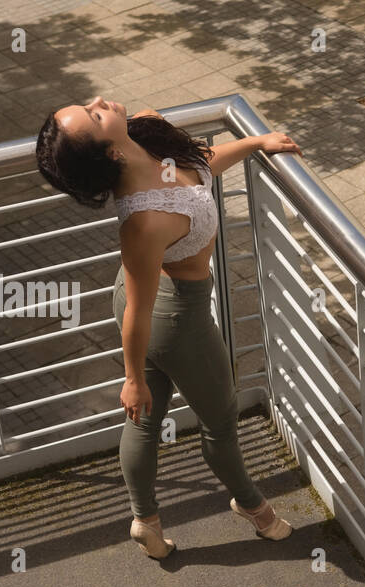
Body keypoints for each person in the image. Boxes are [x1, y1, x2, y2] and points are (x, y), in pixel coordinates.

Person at [35, 97, 302, 559]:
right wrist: (133, 379)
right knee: (219, 421)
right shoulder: (143, 222)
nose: (100, 102)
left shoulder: (144, 134)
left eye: (89, 105)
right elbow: (138, 311)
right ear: (110, 154)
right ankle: (254, 509)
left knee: (144, 422)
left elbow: (198, 169)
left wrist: (256, 141)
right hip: (173, 319)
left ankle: (146, 523)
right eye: (95, 116)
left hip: (153, 309)